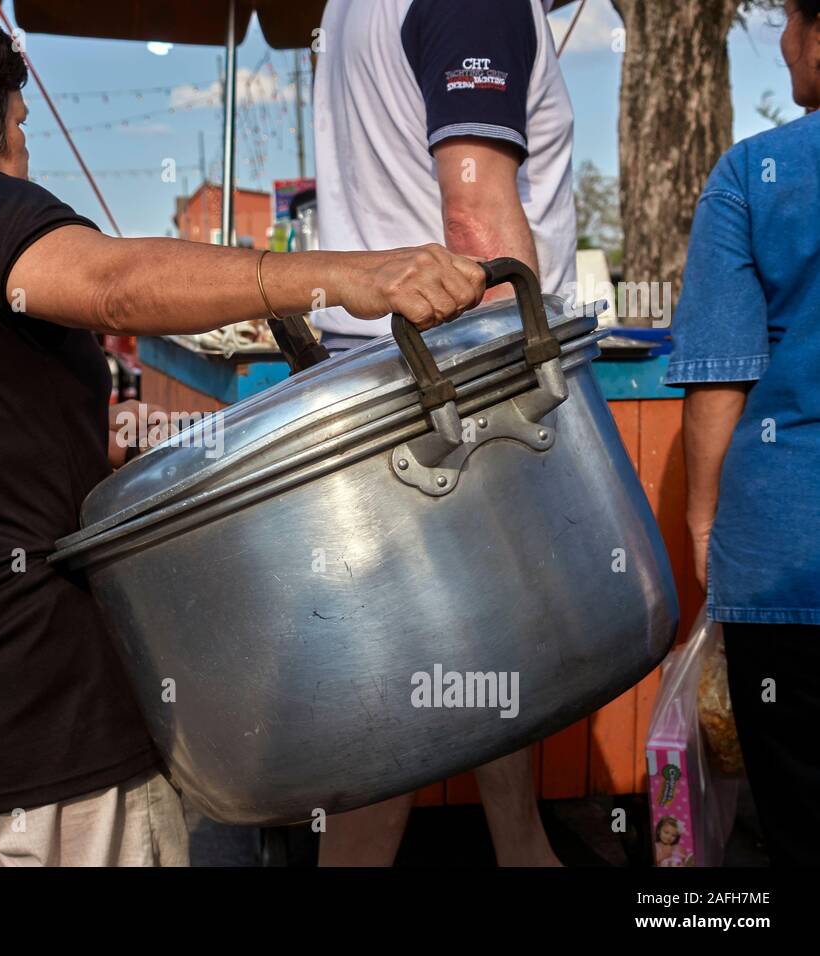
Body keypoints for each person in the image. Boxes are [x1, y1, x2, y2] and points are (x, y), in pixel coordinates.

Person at [0, 0, 488, 867]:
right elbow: (114, 285)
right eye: (16, 124)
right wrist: (348, 275)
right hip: (47, 724)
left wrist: (162, 436)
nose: (23, 148)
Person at [311, 0, 578, 866]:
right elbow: (476, 224)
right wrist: (534, 386)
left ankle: (521, 846)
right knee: (392, 716)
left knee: (485, 662)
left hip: (394, 375)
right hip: (456, 385)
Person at [665, 0, 820, 867]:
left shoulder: (753, 175)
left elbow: (720, 371)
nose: (783, 45)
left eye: (788, 23)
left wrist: (703, 520)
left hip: (789, 562)